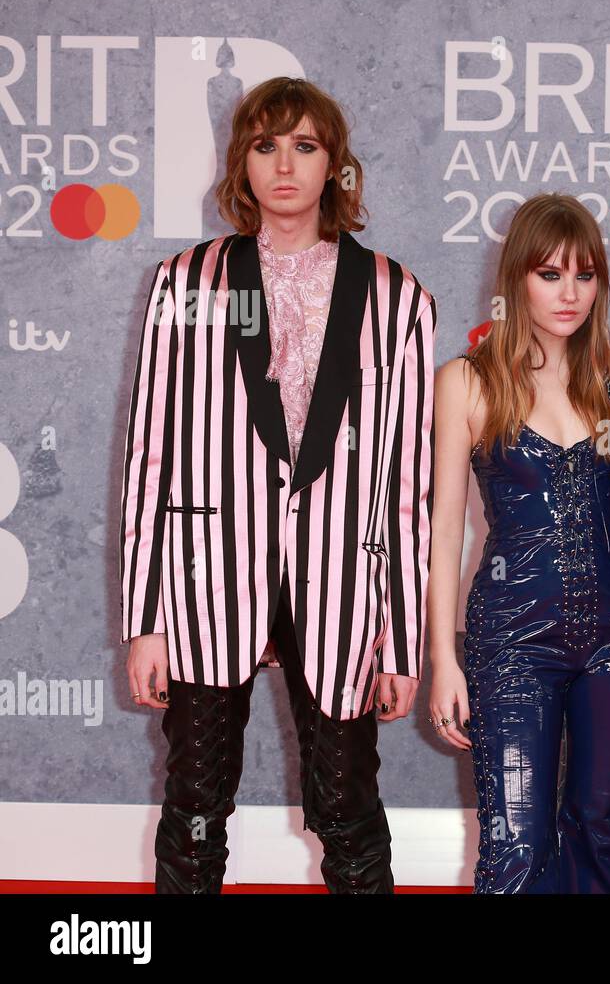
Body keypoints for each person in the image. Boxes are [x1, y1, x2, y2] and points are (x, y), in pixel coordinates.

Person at [119, 77, 436, 893]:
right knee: (195, 799)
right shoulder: (186, 284)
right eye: (266, 146)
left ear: (335, 164)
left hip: (342, 586)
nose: (284, 165)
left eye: (304, 146)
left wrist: (400, 642)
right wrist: (145, 622)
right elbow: (150, 454)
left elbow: (407, 483)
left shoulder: (397, 297)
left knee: (348, 806)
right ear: (241, 162)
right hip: (206, 581)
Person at [427, 193, 610, 893]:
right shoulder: (466, 381)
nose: (569, 293)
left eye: (585, 275)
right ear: (516, 280)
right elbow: (443, 532)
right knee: (516, 849)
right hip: (512, 640)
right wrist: (444, 657)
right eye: (550, 273)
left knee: (600, 831)